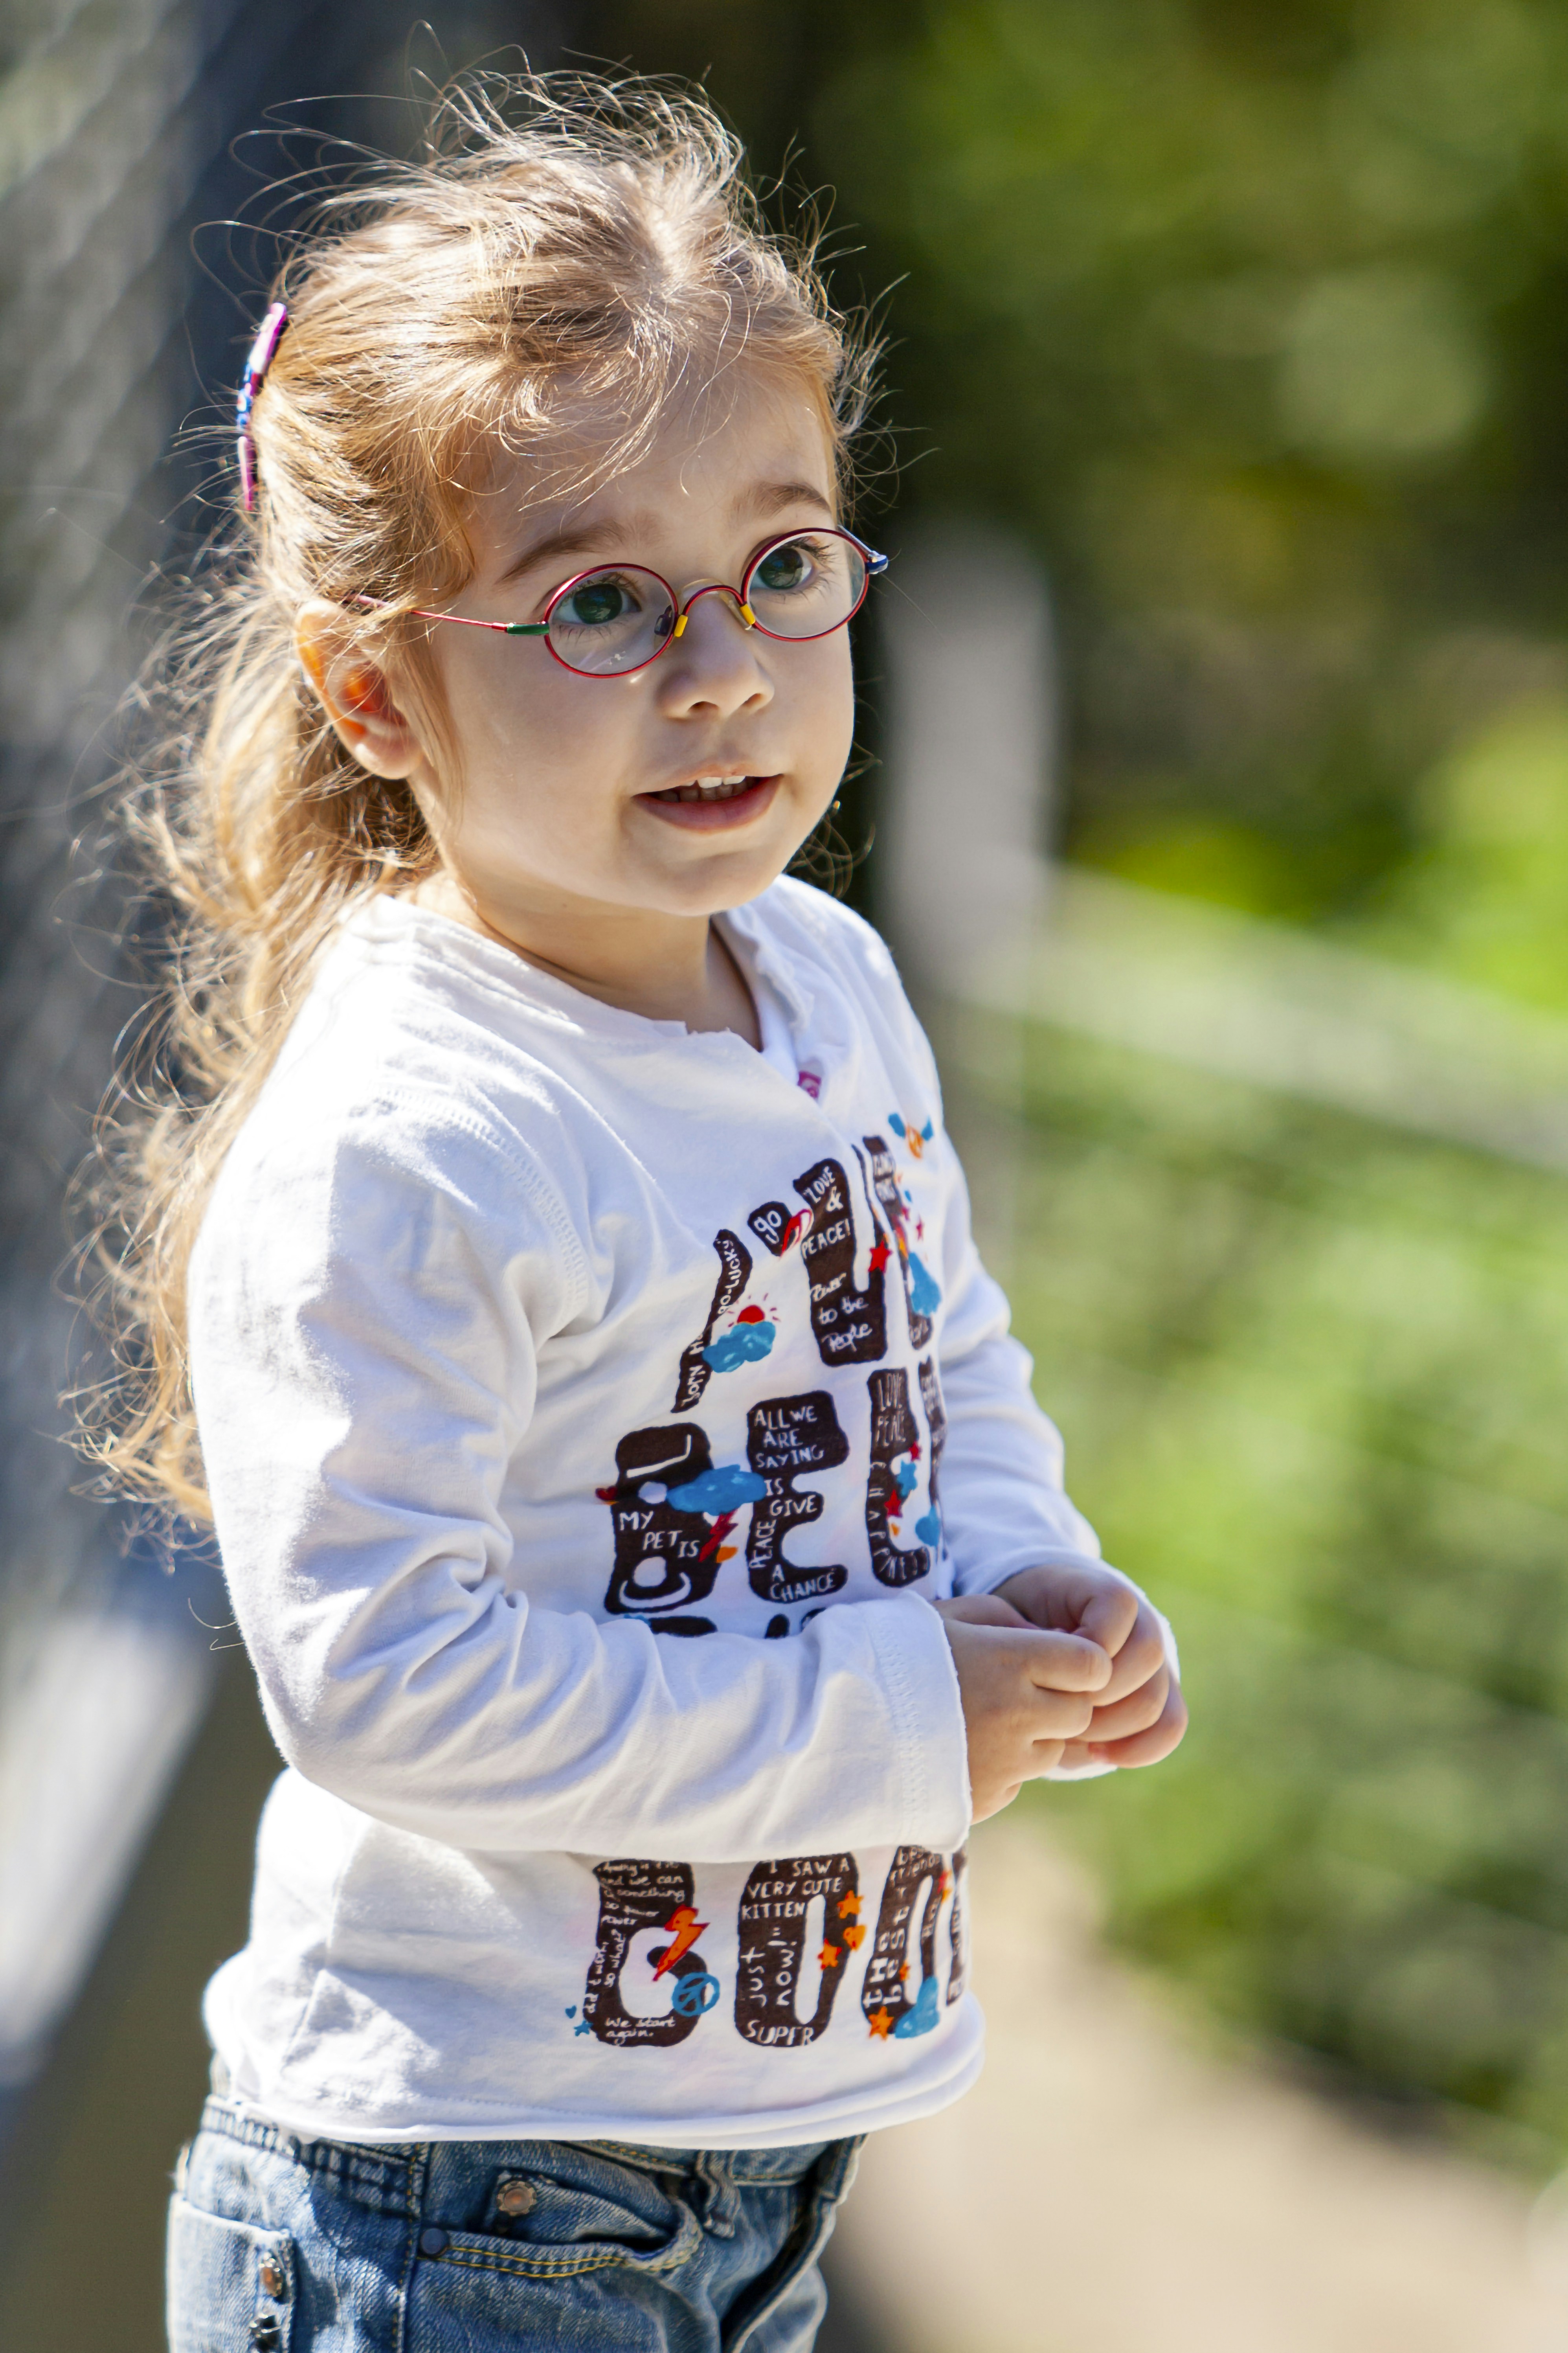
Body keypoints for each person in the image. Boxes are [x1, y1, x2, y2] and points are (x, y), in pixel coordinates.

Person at [99, 73, 1186, 2353]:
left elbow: (937, 1351)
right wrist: (902, 1716)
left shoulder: (825, 975)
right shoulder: (417, 1129)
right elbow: (384, 1683)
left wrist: (1021, 1573)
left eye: (784, 564)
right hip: (459, 2201)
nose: (722, 666)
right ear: (375, 687)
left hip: (757, 2156)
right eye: (601, 600)